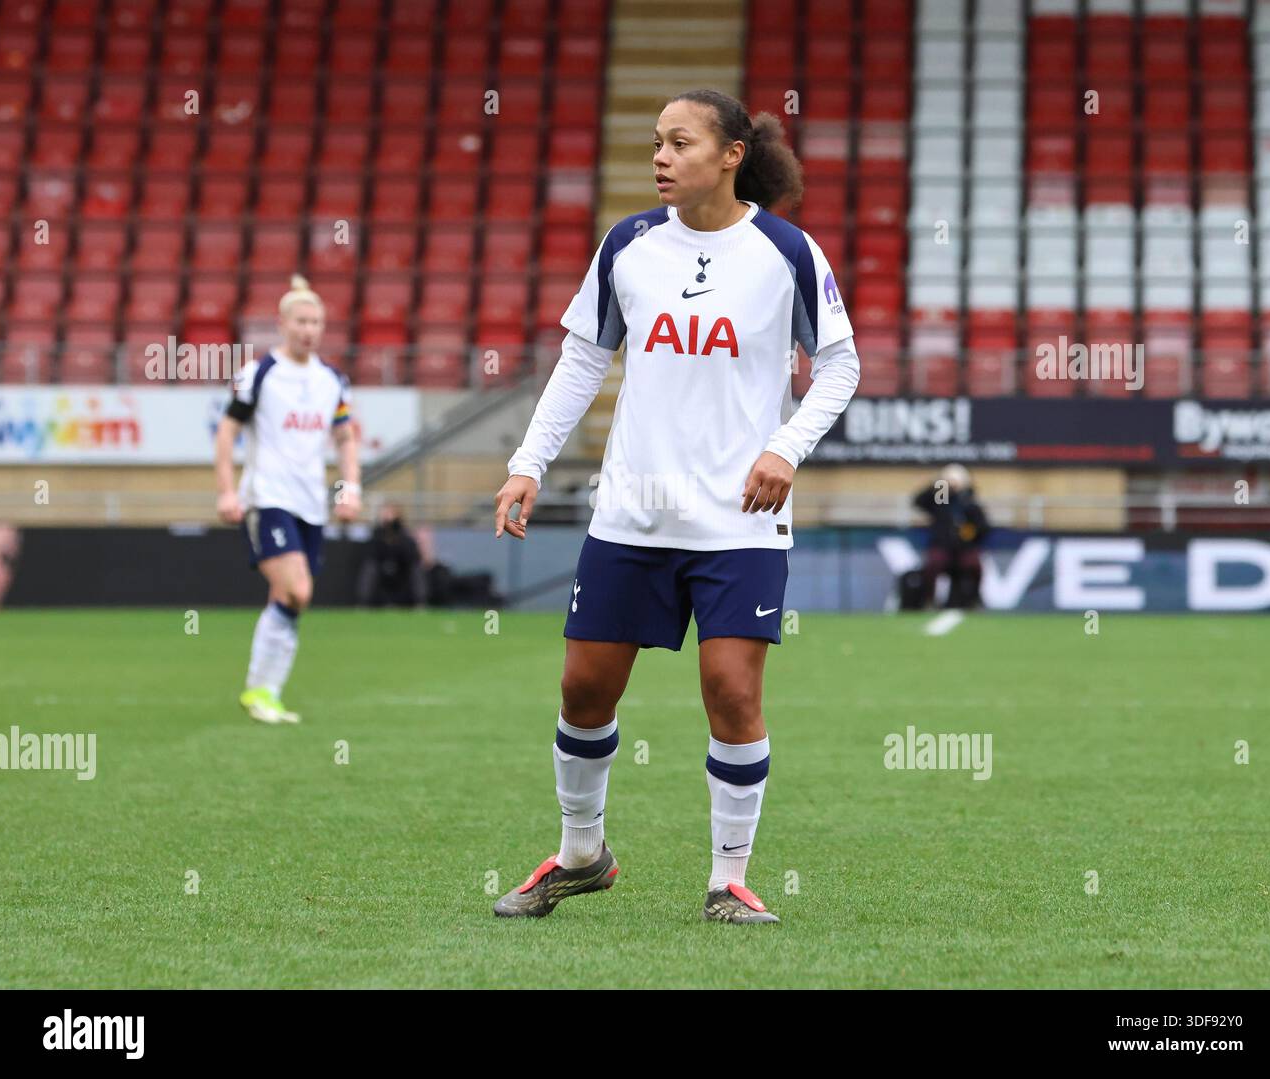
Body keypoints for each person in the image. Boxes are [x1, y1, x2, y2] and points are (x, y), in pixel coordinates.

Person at [490, 89, 860, 924]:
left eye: (679, 142)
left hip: (739, 519)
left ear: (732, 154)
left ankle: (729, 878)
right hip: (631, 511)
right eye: (655, 142)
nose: (659, 156)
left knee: (731, 692)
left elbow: (839, 365)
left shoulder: (787, 252)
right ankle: (582, 851)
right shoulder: (627, 246)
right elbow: (582, 362)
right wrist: (528, 464)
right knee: (584, 689)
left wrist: (784, 447)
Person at [215, 275, 362, 724]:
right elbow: (228, 430)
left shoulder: (332, 380)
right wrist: (226, 490)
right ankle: (262, 690)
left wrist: (350, 487)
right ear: (281, 323)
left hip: (310, 504)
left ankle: (263, 692)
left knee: (294, 596)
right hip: (268, 497)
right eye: (300, 320)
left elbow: (346, 438)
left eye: (316, 322)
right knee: (296, 587)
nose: (308, 329)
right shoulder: (259, 373)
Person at [912, 463, 990, 609]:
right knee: (933, 564)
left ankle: (974, 598)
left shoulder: (969, 502)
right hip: (942, 546)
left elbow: (982, 526)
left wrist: (969, 536)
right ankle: (929, 600)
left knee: (974, 565)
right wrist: (939, 485)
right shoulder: (942, 499)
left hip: (964, 548)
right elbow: (920, 502)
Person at [357, 503, 425, 608]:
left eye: (391, 514)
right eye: (385, 514)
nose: (388, 518)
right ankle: (363, 603)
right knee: (370, 568)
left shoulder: (406, 539)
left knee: (416, 570)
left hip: (403, 584)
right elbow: (371, 559)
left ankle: (420, 603)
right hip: (381, 584)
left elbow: (413, 561)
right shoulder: (376, 537)